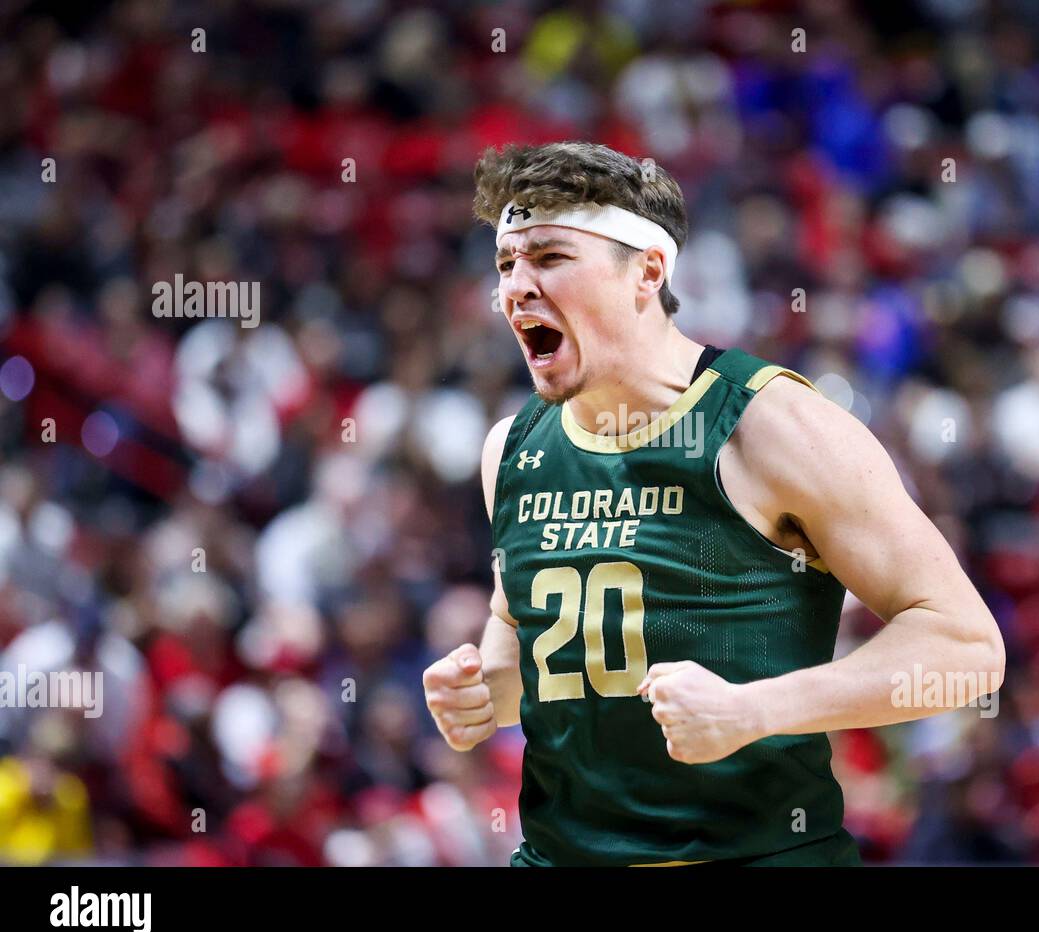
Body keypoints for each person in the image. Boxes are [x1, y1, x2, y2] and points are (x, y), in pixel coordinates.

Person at [422, 141, 1005, 866]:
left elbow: (967, 649)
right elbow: (524, 661)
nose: (515, 286)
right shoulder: (511, 447)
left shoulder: (774, 424)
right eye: (506, 263)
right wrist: (481, 694)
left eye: (548, 257)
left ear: (648, 269)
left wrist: (754, 710)